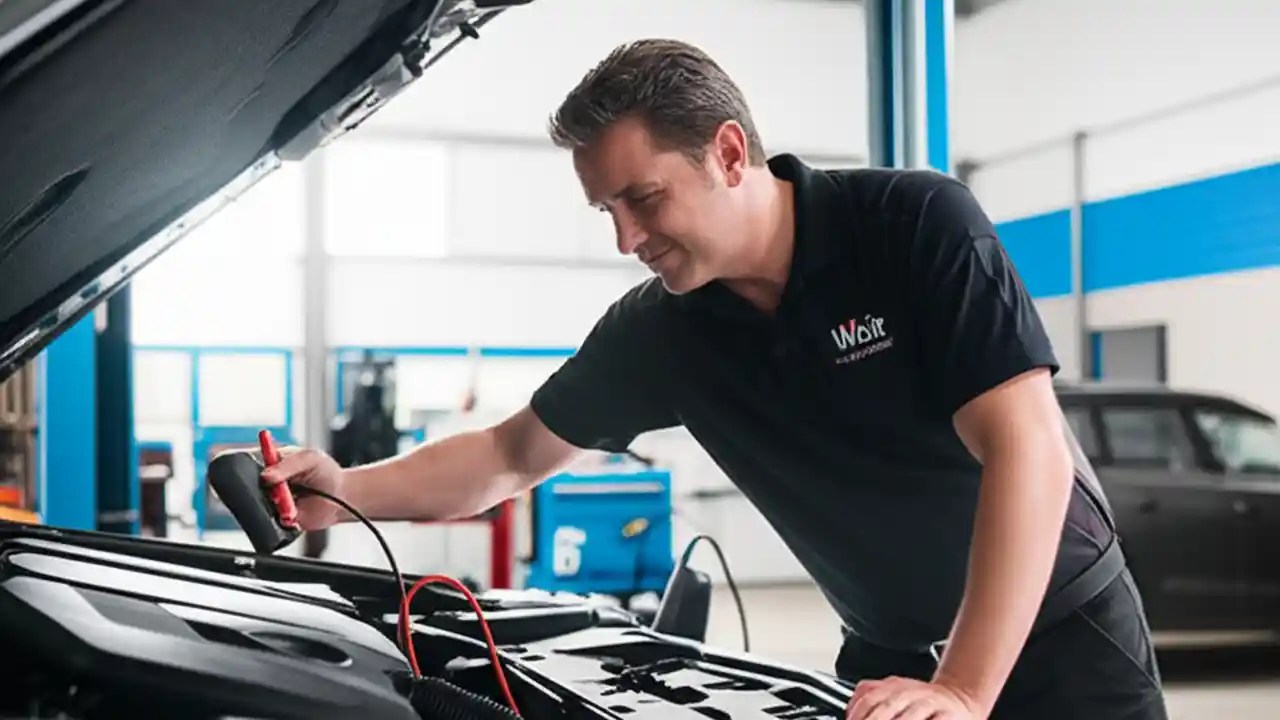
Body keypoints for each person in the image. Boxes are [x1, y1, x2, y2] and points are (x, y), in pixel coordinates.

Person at [263, 39, 1168, 720]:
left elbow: (1027, 448)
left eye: (643, 199)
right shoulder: (665, 331)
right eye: (605, 211)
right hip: (887, 662)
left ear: (729, 154)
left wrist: (967, 689)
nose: (625, 240)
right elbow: (509, 453)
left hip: (1059, 641)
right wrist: (343, 492)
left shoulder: (911, 224)